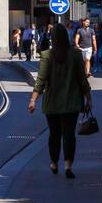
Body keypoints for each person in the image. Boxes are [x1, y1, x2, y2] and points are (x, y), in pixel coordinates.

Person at [28, 23, 92, 178]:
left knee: (54, 134)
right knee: (69, 134)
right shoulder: (76, 54)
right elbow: (82, 80)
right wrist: (88, 99)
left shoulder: (47, 55)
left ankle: (54, 162)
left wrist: (33, 101)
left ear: (53, 38)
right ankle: (68, 165)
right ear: (66, 36)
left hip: (52, 102)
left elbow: (41, 81)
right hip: (72, 102)